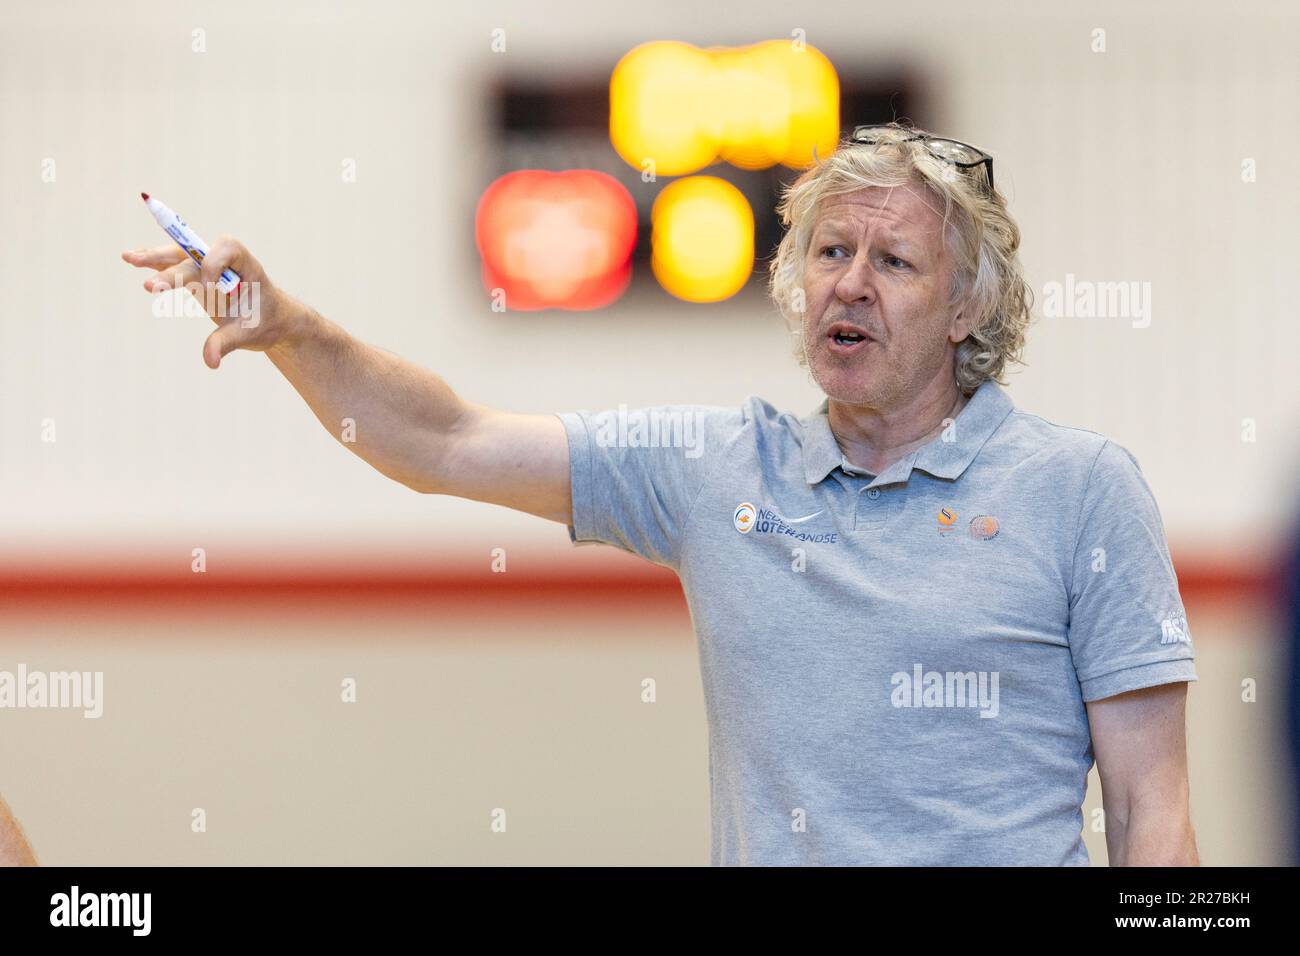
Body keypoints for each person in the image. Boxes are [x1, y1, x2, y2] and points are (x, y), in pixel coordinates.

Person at [117, 121, 1199, 866]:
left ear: (966, 308)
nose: (850, 282)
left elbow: (1154, 810)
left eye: (894, 261)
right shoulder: (719, 467)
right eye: (829, 250)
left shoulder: (1081, 492)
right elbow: (443, 438)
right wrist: (292, 325)